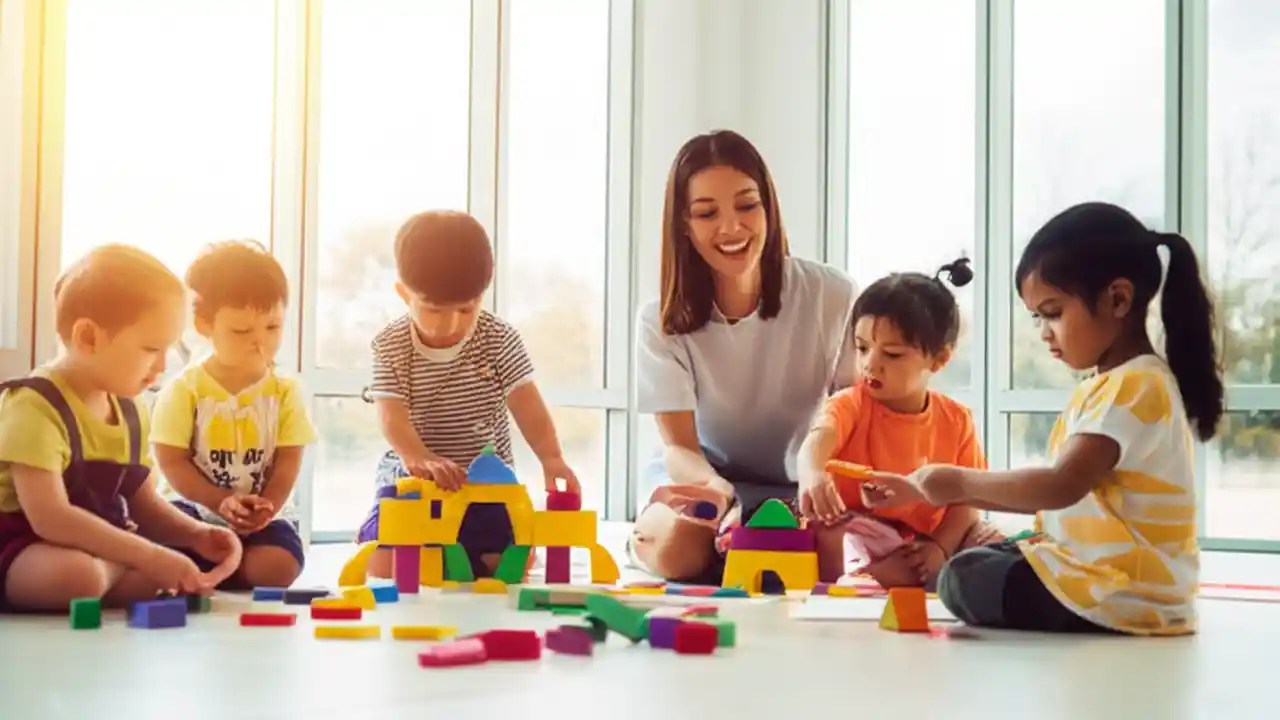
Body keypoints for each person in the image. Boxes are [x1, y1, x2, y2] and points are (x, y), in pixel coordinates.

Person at [864, 202, 1222, 635]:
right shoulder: (1120, 383)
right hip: (1114, 582)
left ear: (1118, 299)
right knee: (991, 558)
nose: (1044, 332)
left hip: (1124, 594)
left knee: (964, 576)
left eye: (1053, 313)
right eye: (1038, 317)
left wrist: (957, 483)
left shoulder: (1134, 385)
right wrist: (922, 488)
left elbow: (1059, 485)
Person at [629, 130, 858, 583]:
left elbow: (850, 416)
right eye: (706, 213)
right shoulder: (659, 319)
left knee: (833, 559)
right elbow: (679, 447)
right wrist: (719, 495)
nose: (731, 228)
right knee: (678, 553)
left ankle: (742, 549)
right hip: (705, 477)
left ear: (768, 208)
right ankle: (680, 540)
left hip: (799, 482)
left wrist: (815, 484)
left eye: (747, 205)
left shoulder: (832, 294)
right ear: (684, 226)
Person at [0, 245, 241, 611]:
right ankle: (112, 571)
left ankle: (111, 572)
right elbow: (51, 519)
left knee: (177, 576)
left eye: (168, 349)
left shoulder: (130, 410)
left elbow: (144, 503)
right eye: (150, 348)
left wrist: (195, 535)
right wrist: (146, 554)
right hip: (24, 545)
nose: (162, 365)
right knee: (78, 578)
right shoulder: (34, 406)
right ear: (88, 338)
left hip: (99, 546)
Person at [358, 210, 581, 579]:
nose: (451, 325)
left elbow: (527, 403)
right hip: (416, 478)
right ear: (404, 294)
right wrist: (420, 457)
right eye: (433, 309)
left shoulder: (498, 338)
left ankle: (455, 554)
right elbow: (390, 414)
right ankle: (440, 551)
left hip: (485, 482)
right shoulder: (390, 344)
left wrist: (552, 457)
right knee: (383, 566)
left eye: (466, 309)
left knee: (517, 563)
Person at [796, 258, 1002, 588]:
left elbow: (966, 503)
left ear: (939, 359)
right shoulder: (851, 402)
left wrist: (939, 547)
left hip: (929, 538)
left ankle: (940, 578)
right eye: (862, 348)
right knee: (833, 536)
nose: (870, 365)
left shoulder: (957, 419)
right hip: (857, 527)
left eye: (891, 355)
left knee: (998, 548)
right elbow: (817, 441)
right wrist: (813, 474)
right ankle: (870, 579)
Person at [152, 240, 316, 589]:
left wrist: (267, 507)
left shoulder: (285, 390)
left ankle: (222, 569)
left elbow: (288, 462)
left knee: (279, 567)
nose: (261, 343)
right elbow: (171, 461)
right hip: (194, 511)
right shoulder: (185, 389)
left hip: (260, 518)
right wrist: (219, 502)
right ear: (203, 324)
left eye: (273, 328)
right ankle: (215, 566)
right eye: (242, 331)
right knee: (168, 548)